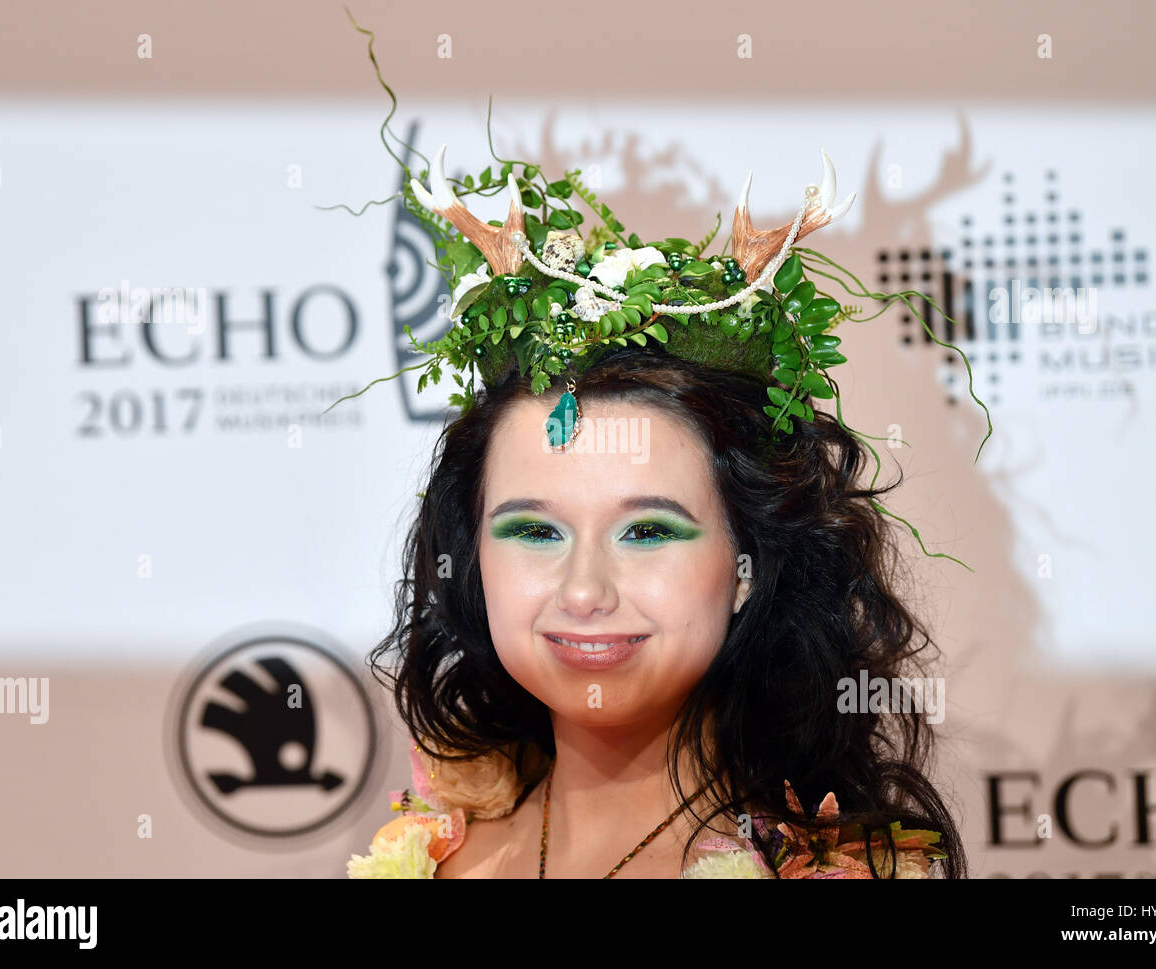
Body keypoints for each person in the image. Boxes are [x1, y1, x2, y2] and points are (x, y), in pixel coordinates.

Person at [338, 22, 984, 878]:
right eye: (534, 531)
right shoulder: (431, 853)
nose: (583, 590)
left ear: (748, 562)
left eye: (647, 531)